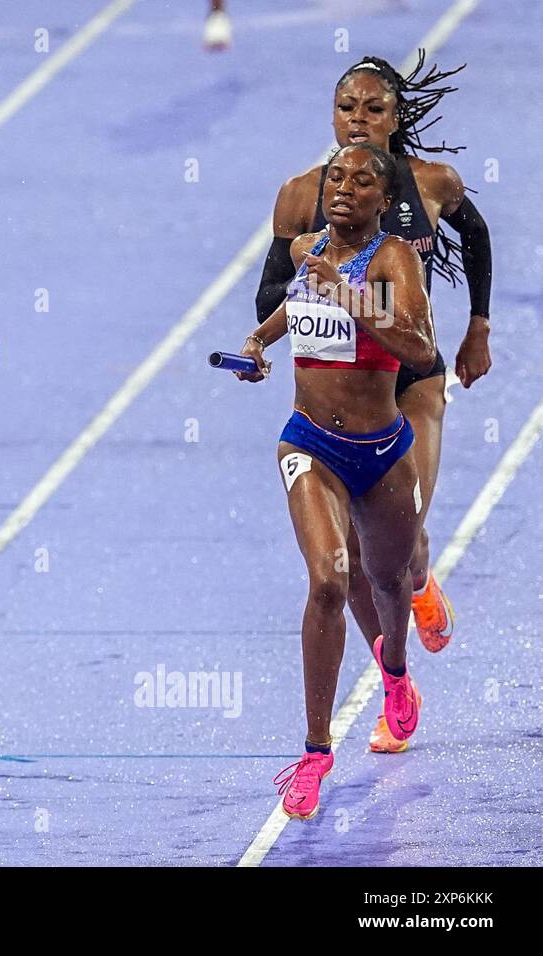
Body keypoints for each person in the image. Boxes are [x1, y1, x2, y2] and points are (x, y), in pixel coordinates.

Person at [254, 54, 493, 752]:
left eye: (374, 110)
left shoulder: (430, 184)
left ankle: (418, 577)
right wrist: (308, 299)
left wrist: (479, 325)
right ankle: (394, 680)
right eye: (347, 109)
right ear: (332, 116)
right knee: (349, 564)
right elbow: (269, 298)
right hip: (340, 394)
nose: (358, 120)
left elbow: (475, 239)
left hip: (411, 380)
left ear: (397, 118)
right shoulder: (304, 196)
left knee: (404, 532)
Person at [237, 143, 437, 819]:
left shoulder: (391, 260)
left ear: (384, 201)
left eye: (361, 182)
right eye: (336, 179)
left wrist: (347, 295)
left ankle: (397, 677)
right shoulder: (305, 252)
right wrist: (259, 344)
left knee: (388, 585)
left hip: (381, 453)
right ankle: (316, 753)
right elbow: (297, 307)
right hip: (309, 442)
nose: (344, 189)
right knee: (328, 580)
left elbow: (420, 348)